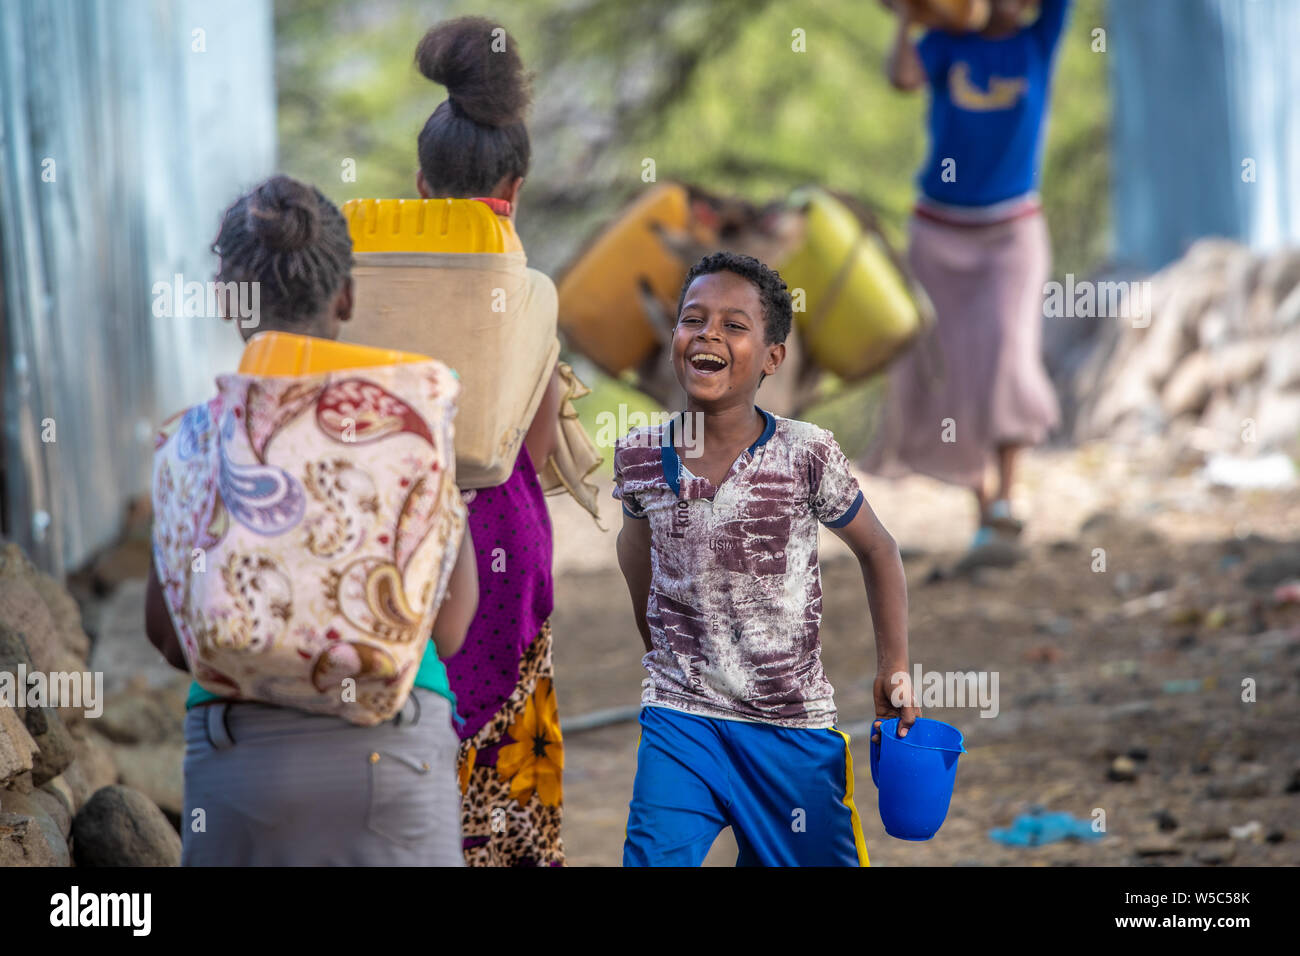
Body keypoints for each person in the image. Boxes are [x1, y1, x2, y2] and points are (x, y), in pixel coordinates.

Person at [145, 174, 479, 865]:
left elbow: (173, 639)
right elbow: (449, 629)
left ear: (226, 301)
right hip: (391, 752)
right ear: (347, 295)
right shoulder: (410, 427)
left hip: (236, 760)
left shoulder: (189, 444)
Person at [613, 252, 920, 867]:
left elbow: (878, 548)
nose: (708, 335)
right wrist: (663, 648)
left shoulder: (806, 453)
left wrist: (895, 667)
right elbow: (636, 546)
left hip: (791, 732)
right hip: (682, 720)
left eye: (734, 325)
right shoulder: (640, 454)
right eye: (693, 319)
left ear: (772, 358)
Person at [410, 16, 588, 867]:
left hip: (409, 524)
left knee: (420, 707)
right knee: (508, 727)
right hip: (507, 531)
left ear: (419, 184)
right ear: (514, 190)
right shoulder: (529, 296)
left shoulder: (375, 285)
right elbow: (544, 437)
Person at [866, 0, 1070, 547]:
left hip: (1013, 233)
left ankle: (1010, 490)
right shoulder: (946, 44)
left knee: (1006, 353)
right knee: (951, 369)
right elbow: (902, 77)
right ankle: (983, 506)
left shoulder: (1038, 40)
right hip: (937, 232)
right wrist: (911, 14)